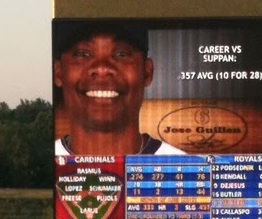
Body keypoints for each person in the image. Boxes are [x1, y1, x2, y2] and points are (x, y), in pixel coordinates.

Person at [53, 24, 178, 158]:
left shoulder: (184, 164)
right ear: (58, 73)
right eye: (82, 54)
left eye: (121, 54)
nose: (102, 69)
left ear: (147, 72)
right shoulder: (43, 163)